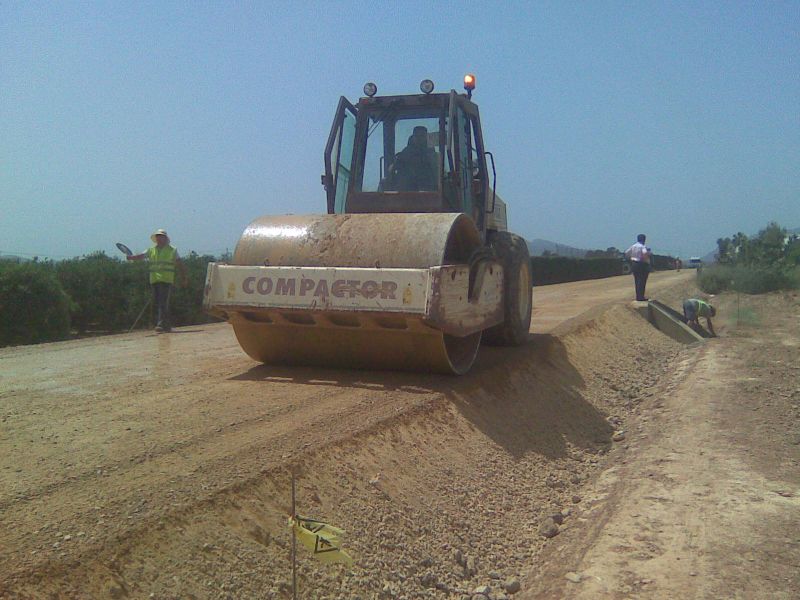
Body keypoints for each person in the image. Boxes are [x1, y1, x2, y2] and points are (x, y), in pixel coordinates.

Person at [127, 228, 188, 333]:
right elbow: (141, 256)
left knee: (162, 303)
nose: (159, 238)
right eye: (158, 237)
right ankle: (166, 326)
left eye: (161, 237)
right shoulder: (151, 250)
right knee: (159, 303)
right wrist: (131, 258)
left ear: (165, 238)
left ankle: (160, 325)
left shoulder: (172, 250)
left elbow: (180, 264)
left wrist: (184, 277)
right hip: (154, 280)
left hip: (166, 279)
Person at [390, 125, 438, 191]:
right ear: (413, 137)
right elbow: (392, 170)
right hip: (408, 192)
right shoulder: (405, 153)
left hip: (431, 192)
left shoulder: (432, 154)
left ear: (426, 137)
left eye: (422, 136)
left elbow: (438, 172)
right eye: (417, 136)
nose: (419, 139)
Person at [624, 233, 652, 301]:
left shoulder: (633, 246)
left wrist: (630, 259)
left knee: (637, 280)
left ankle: (638, 296)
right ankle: (641, 296)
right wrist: (647, 260)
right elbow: (645, 253)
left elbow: (626, 253)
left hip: (634, 264)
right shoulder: (643, 246)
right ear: (644, 239)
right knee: (642, 280)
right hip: (641, 264)